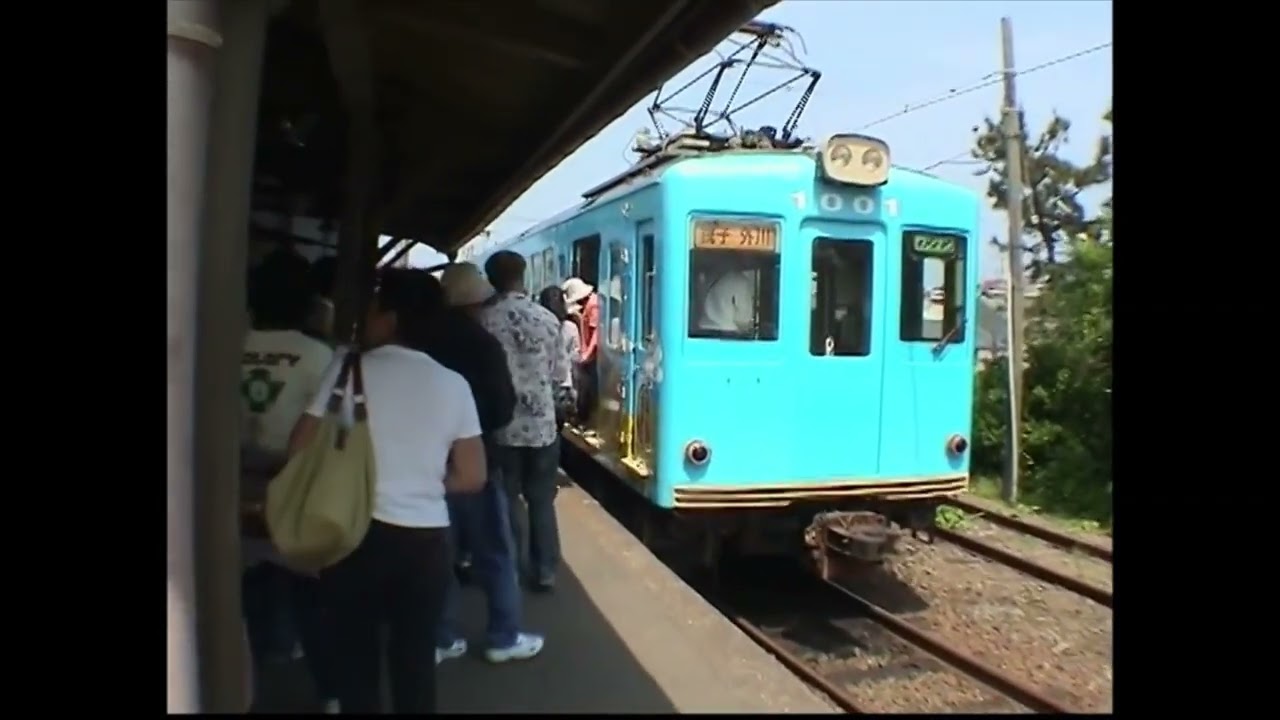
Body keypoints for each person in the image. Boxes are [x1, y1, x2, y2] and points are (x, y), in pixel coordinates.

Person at [289, 267, 488, 714]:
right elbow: (472, 477)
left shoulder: (347, 368)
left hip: (352, 532)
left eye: (375, 306)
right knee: (414, 661)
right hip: (423, 542)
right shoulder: (453, 384)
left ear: (392, 317)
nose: (367, 314)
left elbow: (299, 445)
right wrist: (423, 482)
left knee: (356, 662)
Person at [241, 246, 340, 712]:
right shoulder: (318, 357)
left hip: (234, 486)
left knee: (246, 591)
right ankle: (330, 693)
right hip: (296, 487)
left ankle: (245, 683)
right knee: (312, 597)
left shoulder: (226, 347)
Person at [432, 263, 545, 663]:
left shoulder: (422, 341)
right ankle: (503, 636)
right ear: (476, 302)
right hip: (477, 459)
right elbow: (501, 408)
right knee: (495, 550)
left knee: (439, 551)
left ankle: (441, 637)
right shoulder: (482, 344)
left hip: (430, 461)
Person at [481, 252, 567, 592]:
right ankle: (545, 569)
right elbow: (561, 375)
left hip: (502, 426)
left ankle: (511, 569)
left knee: (506, 498)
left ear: (491, 280)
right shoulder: (548, 320)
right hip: (543, 426)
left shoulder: (485, 320)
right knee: (541, 500)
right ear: (523, 274)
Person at [537, 285, 579, 427]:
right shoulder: (571, 327)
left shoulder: (538, 325)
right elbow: (575, 357)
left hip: (541, 384)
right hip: (563, 385)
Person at [560, 277, 597, 424]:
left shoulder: (593, 305)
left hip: (591, 355)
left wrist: (587, 353)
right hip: (588, 353)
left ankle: (584, 417)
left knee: (586, 384)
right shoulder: (589, 304)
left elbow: (596, 333)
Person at [697, 269, 756, 334]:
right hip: (730, 333)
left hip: (706, 329)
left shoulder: (719, 282)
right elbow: (743, 320)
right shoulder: (741, 282)